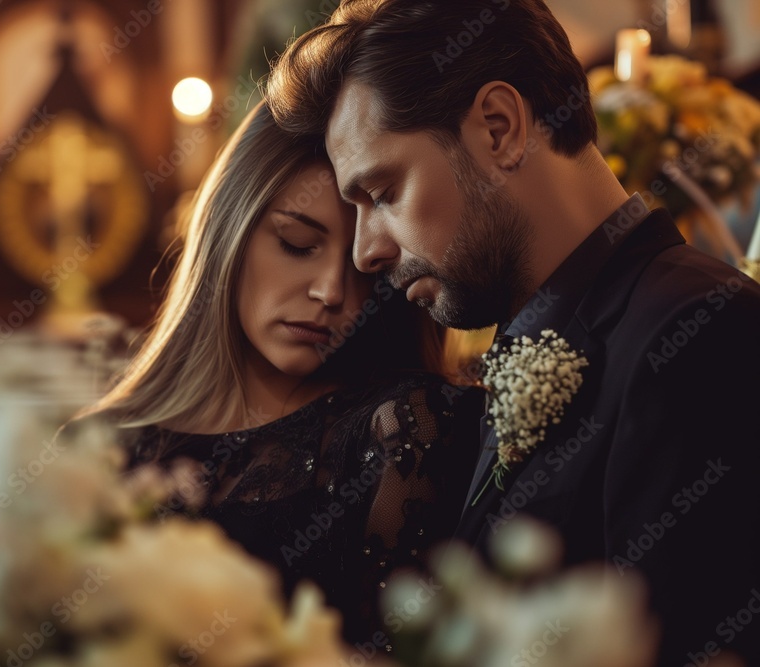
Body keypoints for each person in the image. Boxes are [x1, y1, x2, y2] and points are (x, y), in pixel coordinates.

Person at [263, 1, 760, 664]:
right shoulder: (528, 344)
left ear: (499, 127)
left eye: (382, 193)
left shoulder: (702, 331)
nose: (364, 252)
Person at [58, 102, 482, 647]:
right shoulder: (93, 447)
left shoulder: (403, 427)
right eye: (297, 245)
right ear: (226, 232)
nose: (331, 292)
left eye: (362, 269)